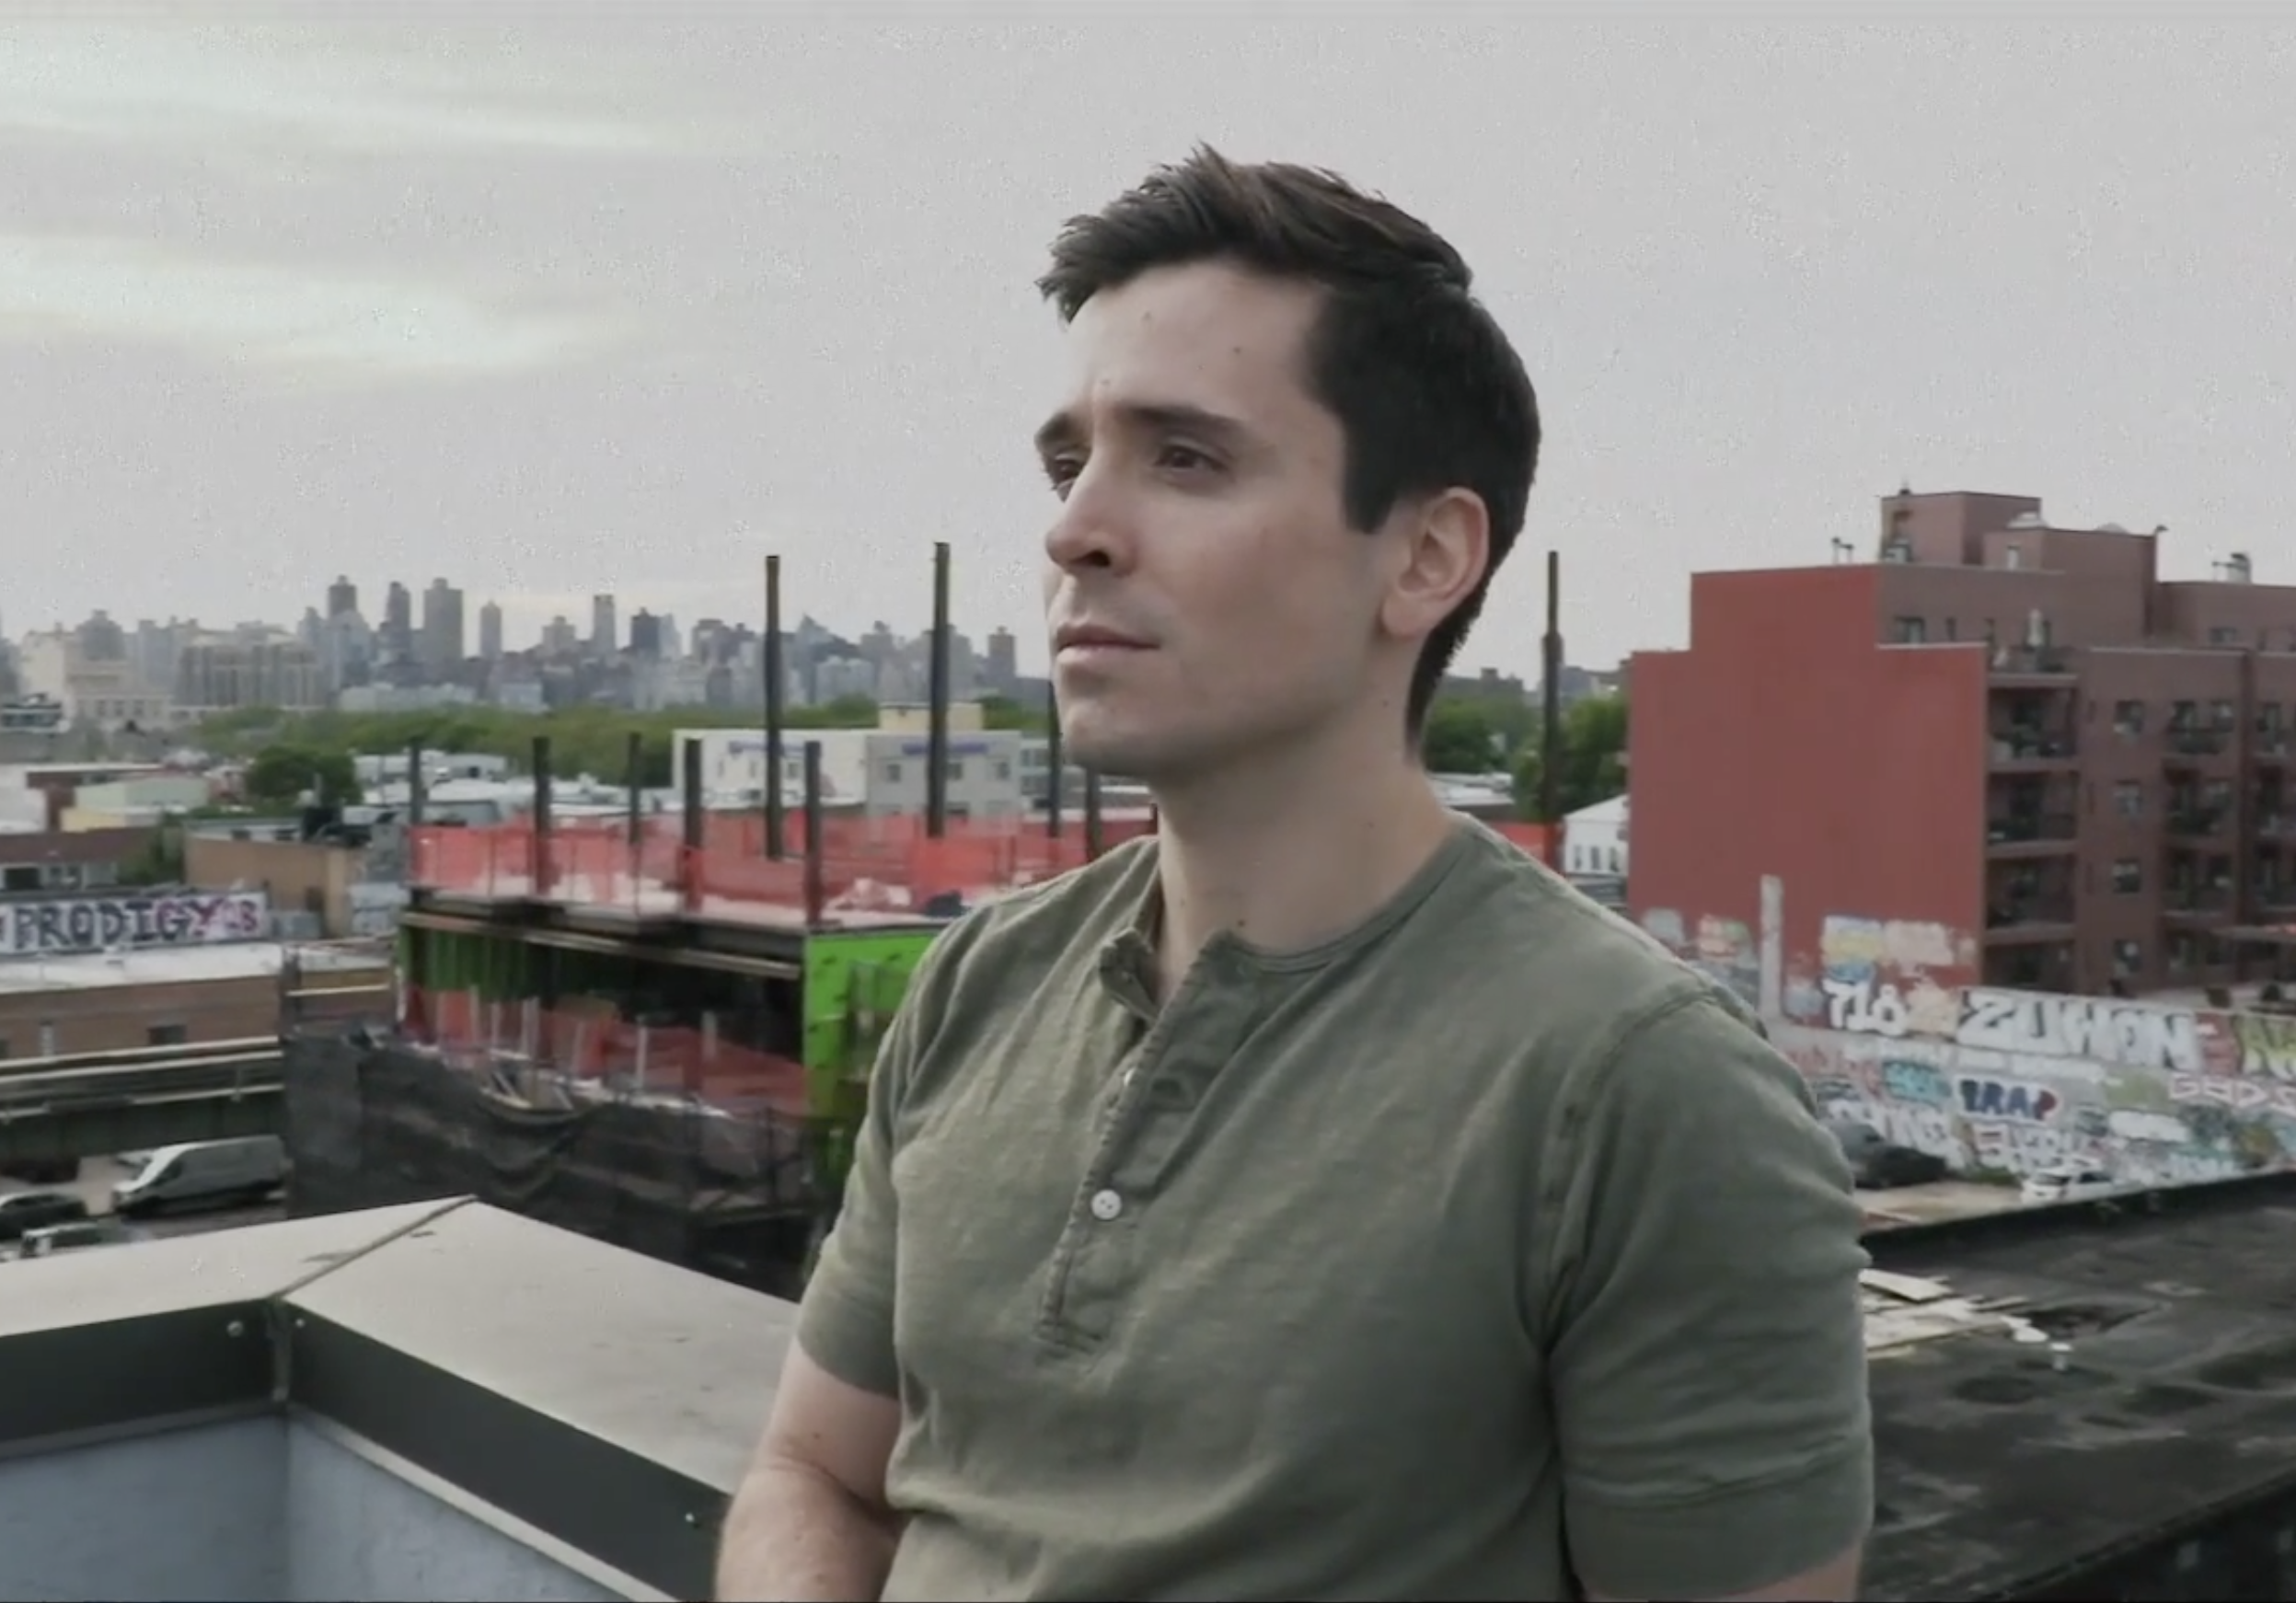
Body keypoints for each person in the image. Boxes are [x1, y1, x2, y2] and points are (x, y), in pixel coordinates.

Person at [714, 147, 1875, 1603]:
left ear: (1425, 556)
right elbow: (816, 1471)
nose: (1074, 529)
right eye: (1069, 464)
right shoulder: (978, 984)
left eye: (1185, 459)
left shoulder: (1638, 1089)